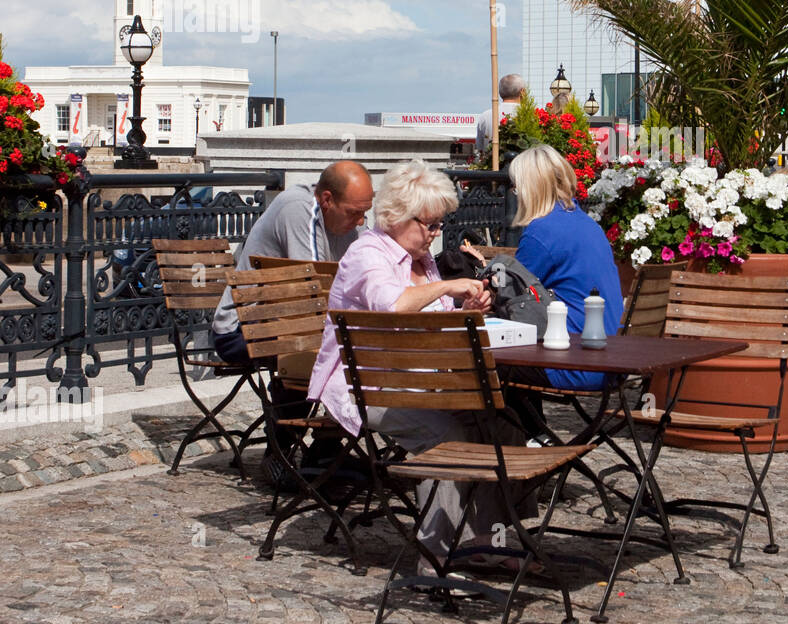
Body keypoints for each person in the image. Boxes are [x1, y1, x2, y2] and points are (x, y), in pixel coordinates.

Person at [307, 160, 518, 567]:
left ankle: (490, 540)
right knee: (448, 439)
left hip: (424, 380)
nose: (436, 234)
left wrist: (467, 309)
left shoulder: (421, 259)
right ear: (398, 216)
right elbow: (393, 306)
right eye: (430, 224)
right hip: (370, 386)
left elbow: (433, 326)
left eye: (439, 225)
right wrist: (450, 285)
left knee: (502, 423)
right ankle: (437, 558)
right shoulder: (368, 254)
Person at [211, 159, 374, 363]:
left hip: (292, 323)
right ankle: (291, 391)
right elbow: (314, 292)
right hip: (240, 329)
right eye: (354, 213)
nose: (360, 221)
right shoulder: (299, 208)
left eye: (364, 212)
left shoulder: (350, 220)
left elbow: (373, 269)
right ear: (327, 199)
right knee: (347, 343)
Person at [510, 144, 623, 391]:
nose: (515, 193)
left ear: (530, 188)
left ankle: (508, 430)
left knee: (483, 358)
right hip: (612, 357)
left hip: (576, 360)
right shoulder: (585, 222)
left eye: (516, 186)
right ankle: (530, 428)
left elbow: (509, 294)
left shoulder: (542, 231)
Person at [475, 72, 525, 154]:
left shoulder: (485, 116)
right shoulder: (529, 115)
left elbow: (480, 147)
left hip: (492, 164)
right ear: (522, 91)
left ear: (500, 92)